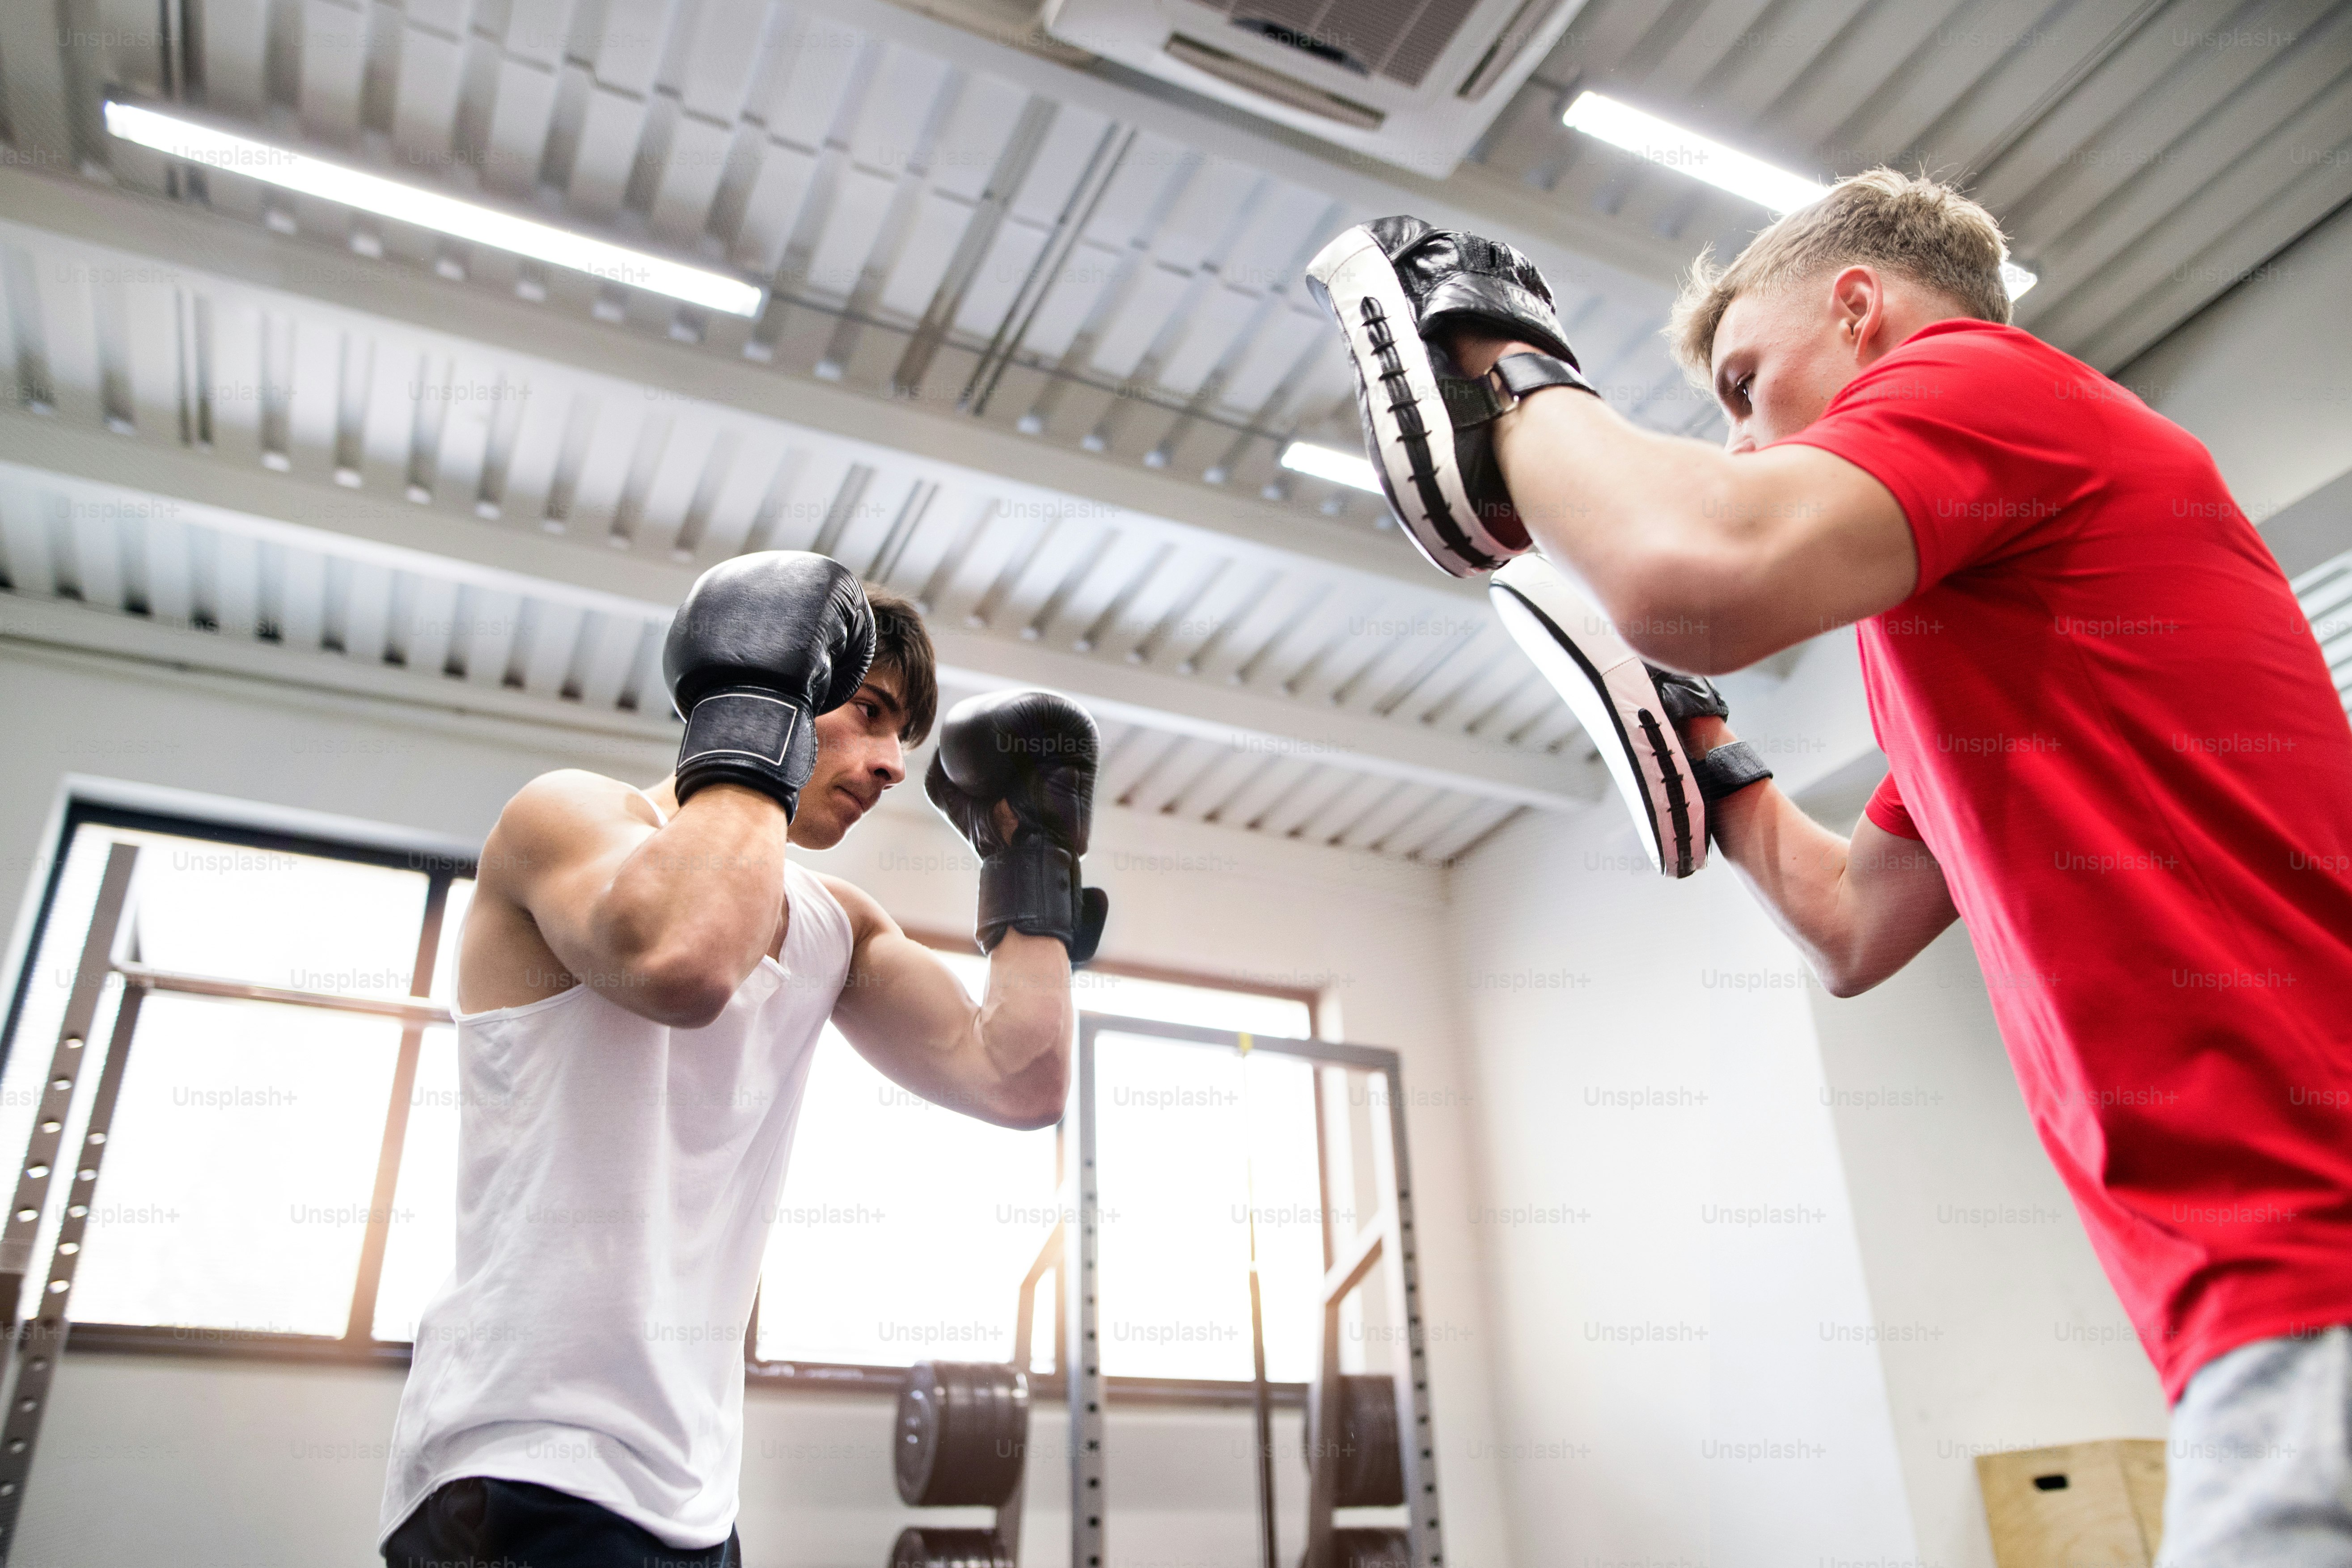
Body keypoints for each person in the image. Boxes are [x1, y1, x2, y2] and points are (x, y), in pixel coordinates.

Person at [1307, 172, 2352, 1560]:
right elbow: (1850, 921)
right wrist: (1701, 741)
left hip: (2308, 1255)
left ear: (1860, 310)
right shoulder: (1997, 621)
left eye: (1745, 383)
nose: (1736, 442)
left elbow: (1694, 564)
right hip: (2258, 1284)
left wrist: (1499, 360)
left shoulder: (1986, 378)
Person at [377, 551, 1107, 1567]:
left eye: (907, 736)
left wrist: (1029, 857)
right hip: (521, 1461)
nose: (894, 764)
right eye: (869, 710)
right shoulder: (569, 819)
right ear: (796, 685)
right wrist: (754, 711)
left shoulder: (834, 925)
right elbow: (682, 961)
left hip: (693, 1492)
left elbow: (1019, 1080)